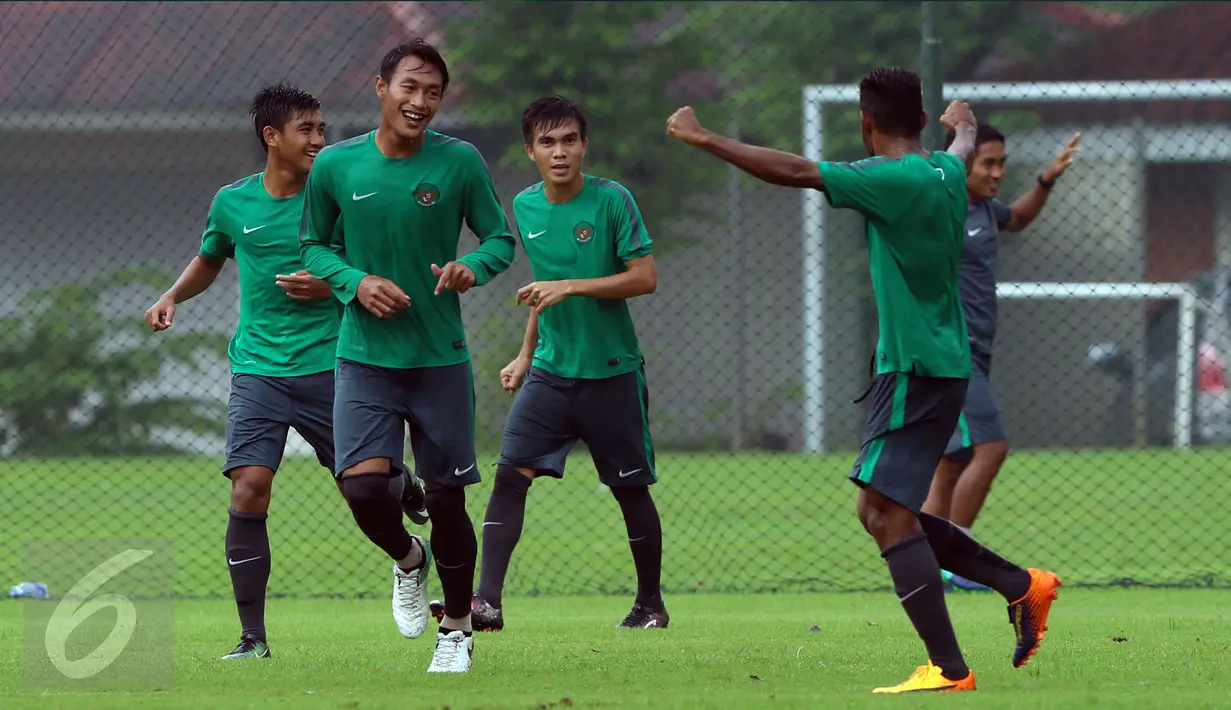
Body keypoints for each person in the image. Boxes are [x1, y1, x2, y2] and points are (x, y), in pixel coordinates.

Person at [665, 67, 1061, 694]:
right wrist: (967, 125)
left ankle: (951, 669)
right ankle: (1020, 586)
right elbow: (961, 147)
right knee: (881, 511)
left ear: (865, 123)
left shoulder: (891, 178)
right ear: (923, 122)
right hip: (939, 365)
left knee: (885, 515)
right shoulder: (944, 169)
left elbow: (793, 171)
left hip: (915, 369)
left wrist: (704, 136)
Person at [144, 83, 429, 661]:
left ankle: (410, 556)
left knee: (362, 491)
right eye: (307, 129)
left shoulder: (345, 196)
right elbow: (210, 256)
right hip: (259, 370)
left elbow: (375, 269)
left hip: (336, 364)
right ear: (271, 136)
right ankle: (253, 639)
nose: (319, 140)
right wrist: (174, 294)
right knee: (249, 487)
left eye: (322, 129)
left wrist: (330, 284)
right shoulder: (233, 202)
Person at [299, 39, 516, 674]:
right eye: (410, 88)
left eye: (433, 93)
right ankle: (409, 560)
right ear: (380, 88)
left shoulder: (460, 162)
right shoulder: (336, 167)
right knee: (364, 488)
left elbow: (499, 238)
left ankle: (456, 628)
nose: (420, 102)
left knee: (448, 498)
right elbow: (314, 246)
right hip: (364, 358)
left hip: (439, 361)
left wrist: (469, 268)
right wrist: (355, 283)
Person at [428, 96, 666, 632]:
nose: (560, 152)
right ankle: (486, 603)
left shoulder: (613, 201)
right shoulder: (526, 206)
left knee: (630, 488)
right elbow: (544, 291)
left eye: (570, 140)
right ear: (530, 150)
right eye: (547, 142)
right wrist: (525, 353)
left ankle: (650, 604)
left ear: (584, 145)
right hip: (551, 374)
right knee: (511, 475)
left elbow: (644, 277)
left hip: (611, 371)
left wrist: (571, 286)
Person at [922, 124, 1081, 592]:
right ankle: (959, 560)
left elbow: (1017, 218)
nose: (997, 172)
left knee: (953, 459)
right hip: (954, 349)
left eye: (1002, 162)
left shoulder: (987, 211)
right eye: (988, 162)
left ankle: (928, 563)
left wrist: (1046, 181)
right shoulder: (945, 209)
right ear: (964, 163)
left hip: (978, 350)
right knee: (991, 448)